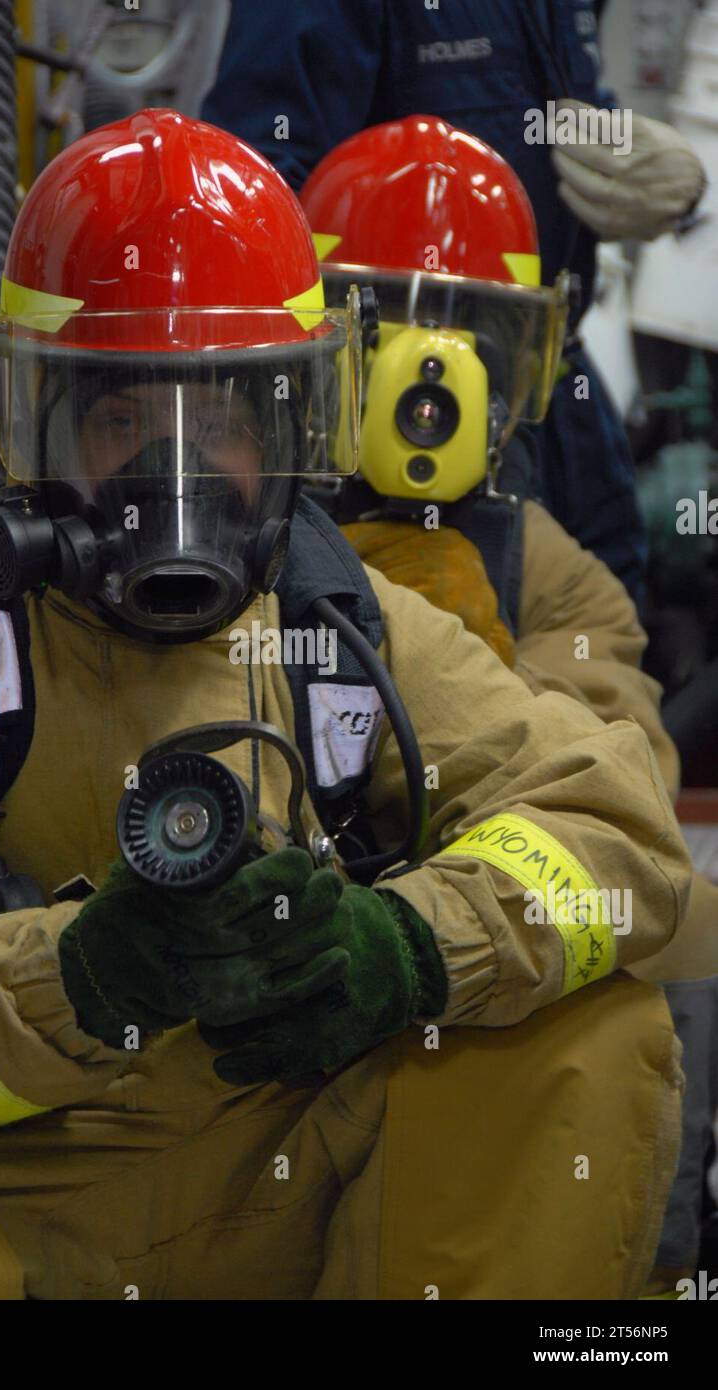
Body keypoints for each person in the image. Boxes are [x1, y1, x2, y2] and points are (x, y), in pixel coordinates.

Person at [0, 109, 692, 1301]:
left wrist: (403, 948)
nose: (177, 471)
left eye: (225, 418)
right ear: (33, 428)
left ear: (295, 421)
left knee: (590, 1039)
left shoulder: (340, 620)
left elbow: (622, 835)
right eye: (125, 414)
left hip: (278, 1168)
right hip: (19, 1193)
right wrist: (77, 975)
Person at [299, 112, 718, 1288]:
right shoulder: (250, 535)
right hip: (285, 993)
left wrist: (471, 648)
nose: (429, 380)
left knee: (662, 959)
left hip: (464, 969)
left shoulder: (551, 567)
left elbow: (616, 799)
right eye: (386, 335)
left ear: (528, 366)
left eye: (476, 338)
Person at [201, 0, 706, 614]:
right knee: (420, 657)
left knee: (597, 625)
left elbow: (553, 111)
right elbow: (250, 194)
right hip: (394, 433)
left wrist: (649, 167)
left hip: (543, 386)